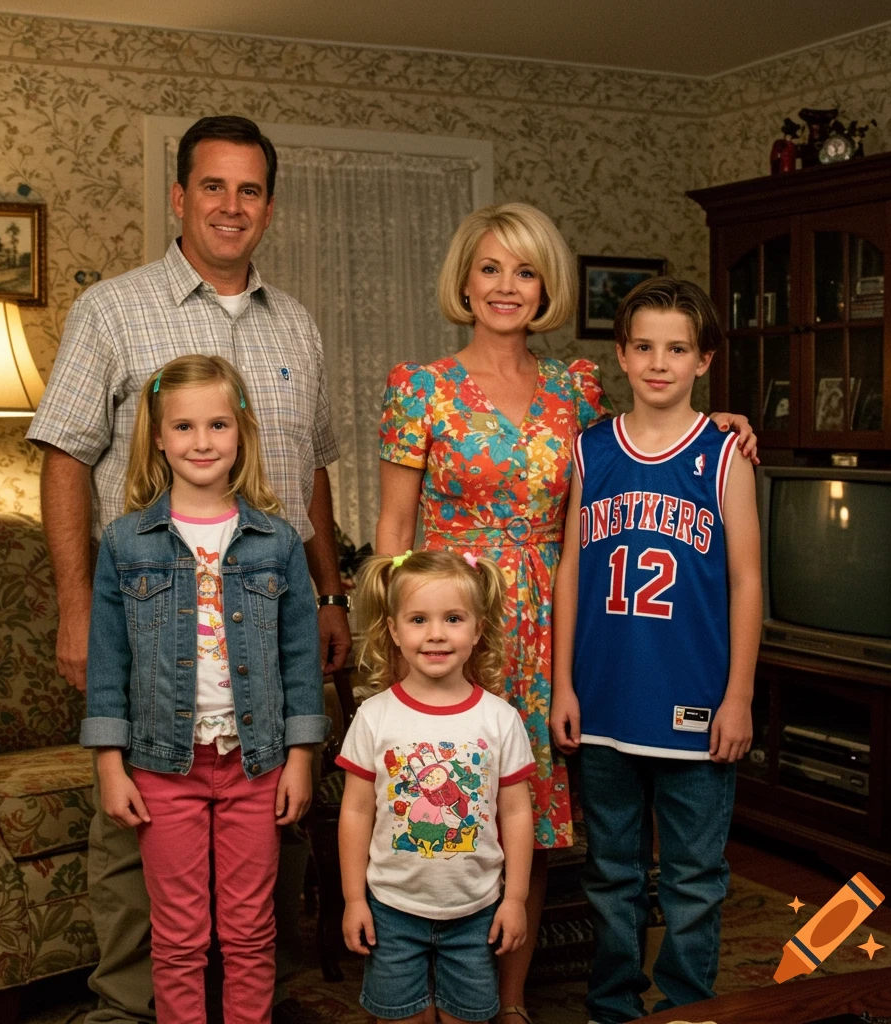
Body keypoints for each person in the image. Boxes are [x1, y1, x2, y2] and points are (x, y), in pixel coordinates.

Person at [375, 203, 756, 1023]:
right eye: (489, 268)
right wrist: (397, 643)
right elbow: (392, 535)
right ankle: (430, 987)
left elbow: (645, 440)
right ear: (464, 282)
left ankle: (508, 1001)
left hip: (552, 627)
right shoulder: (421, 387)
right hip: (452, 623)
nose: (506, 286)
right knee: (441, 797)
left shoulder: (574, 388)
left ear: (546, 285)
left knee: (529, 812)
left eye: (525, 270)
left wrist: (722, 426)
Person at [27, 116, 349, 1024]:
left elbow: (314, 470)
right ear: (178, 196)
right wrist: (76, 612)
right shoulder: (113, 310)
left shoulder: (298, 323)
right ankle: (139, 1011)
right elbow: (62, 457)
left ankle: (255, 1000)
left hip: (277, 617)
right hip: (154, 627)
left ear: (269, 207)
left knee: (271, 846)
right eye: (213, 186)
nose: (230, 206)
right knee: (141, 849)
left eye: (249, 190)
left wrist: (329, 594)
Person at [80, 354, 329, 1024]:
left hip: (255, 764)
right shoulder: (125, 541)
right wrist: (111, 764)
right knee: (180, 933)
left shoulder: (275, 540)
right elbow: (108, 664)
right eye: (184, 426)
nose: (201, 441)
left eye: (217, 424)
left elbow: (301, 658)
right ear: (158, 437)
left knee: (250, 930)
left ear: (241, 432)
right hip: (165, 766)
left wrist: (300, 758)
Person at [551, 277, 762, 1024]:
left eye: (677, 348)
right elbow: (571, 568)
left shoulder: (723, 453)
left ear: (704, 359)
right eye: (644, 346)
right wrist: (561, 686)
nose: (659, 362)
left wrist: (738, 696)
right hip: (604, 700)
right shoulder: (590, 449)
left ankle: (685, 1009)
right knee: (610, 874)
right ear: (620, 353)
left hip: (696, 706)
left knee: (694, 879)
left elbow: (745, 580)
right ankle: (612, 1008)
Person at [337, 550, 536, 1024]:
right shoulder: (373, 717)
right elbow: (356, 812)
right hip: (391, 909)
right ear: (393, 630)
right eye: (419, 619)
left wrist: (516, 899)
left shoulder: (500, 720)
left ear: (478, 628)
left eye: (453, 618)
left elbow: (516, 814)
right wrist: (353, 899)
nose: (436, 634)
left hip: (476, 911)